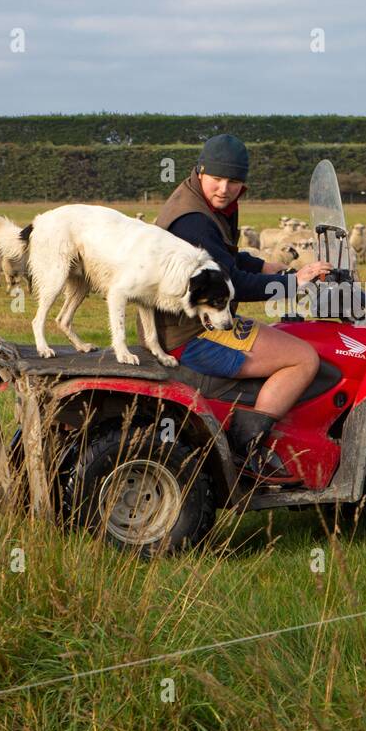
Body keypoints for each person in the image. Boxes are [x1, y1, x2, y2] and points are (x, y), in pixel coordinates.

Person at [138, 134, 331, 478]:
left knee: (283, 339)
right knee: (304, 358)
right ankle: (248, 449)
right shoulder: (193, 220)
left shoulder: (208, 204)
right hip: (190, 334)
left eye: (234, 181)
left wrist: (266, 267)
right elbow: (231, 284)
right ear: (199, 171)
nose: (225, 188)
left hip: (191, 322)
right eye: (217, 179)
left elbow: (224, 257)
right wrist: (293, 283)